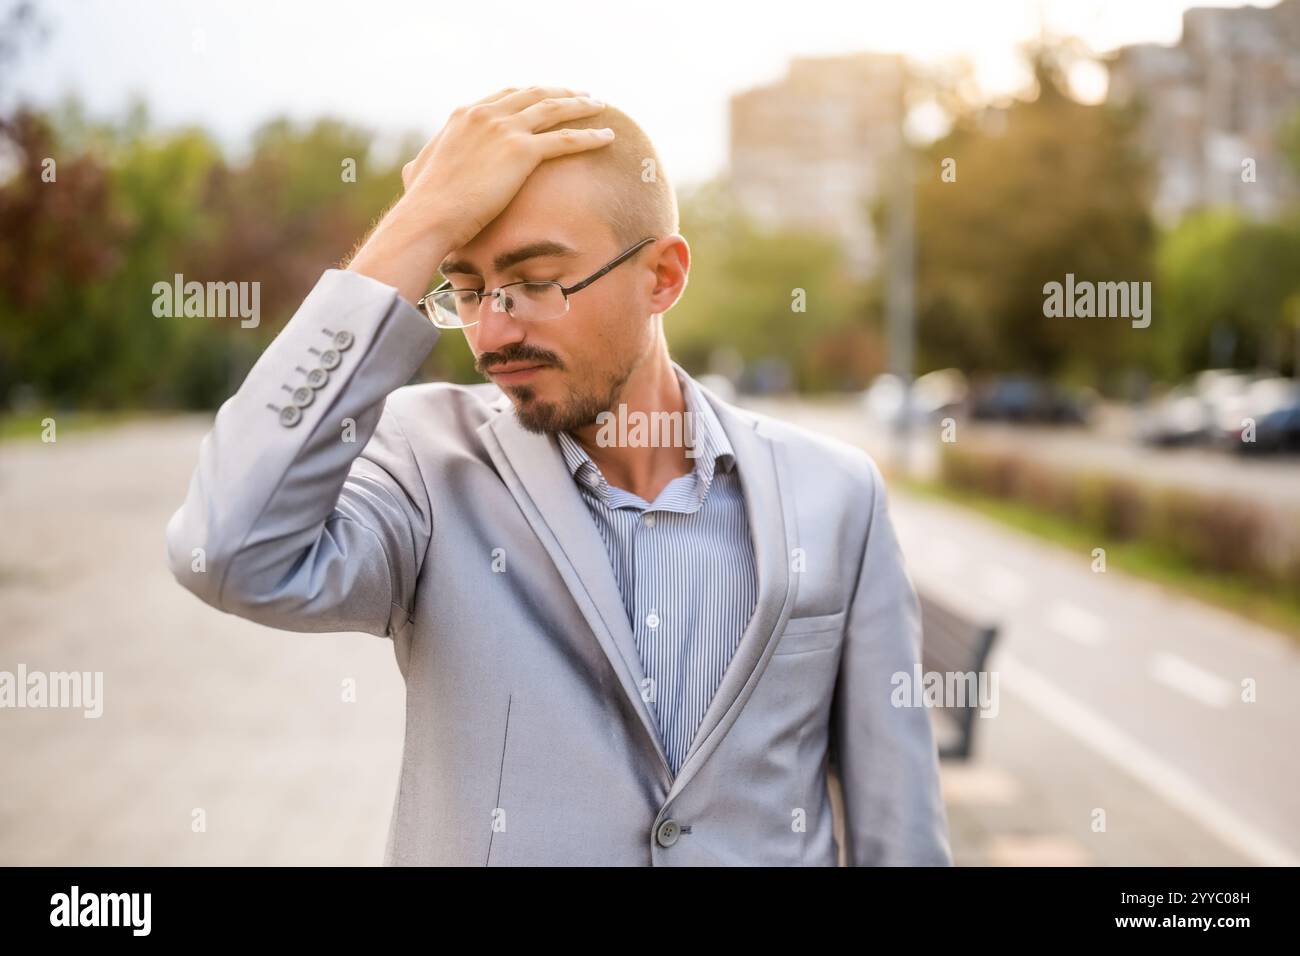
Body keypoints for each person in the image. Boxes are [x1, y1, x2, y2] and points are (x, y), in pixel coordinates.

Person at [165, 86, 952, 866]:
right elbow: (230, 548)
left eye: (537, 281)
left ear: (663, 277)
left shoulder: (838, 495)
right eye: (466, 291)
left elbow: (900, 833)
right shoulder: (423, 463)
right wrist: (418, 221)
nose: (491, 333)